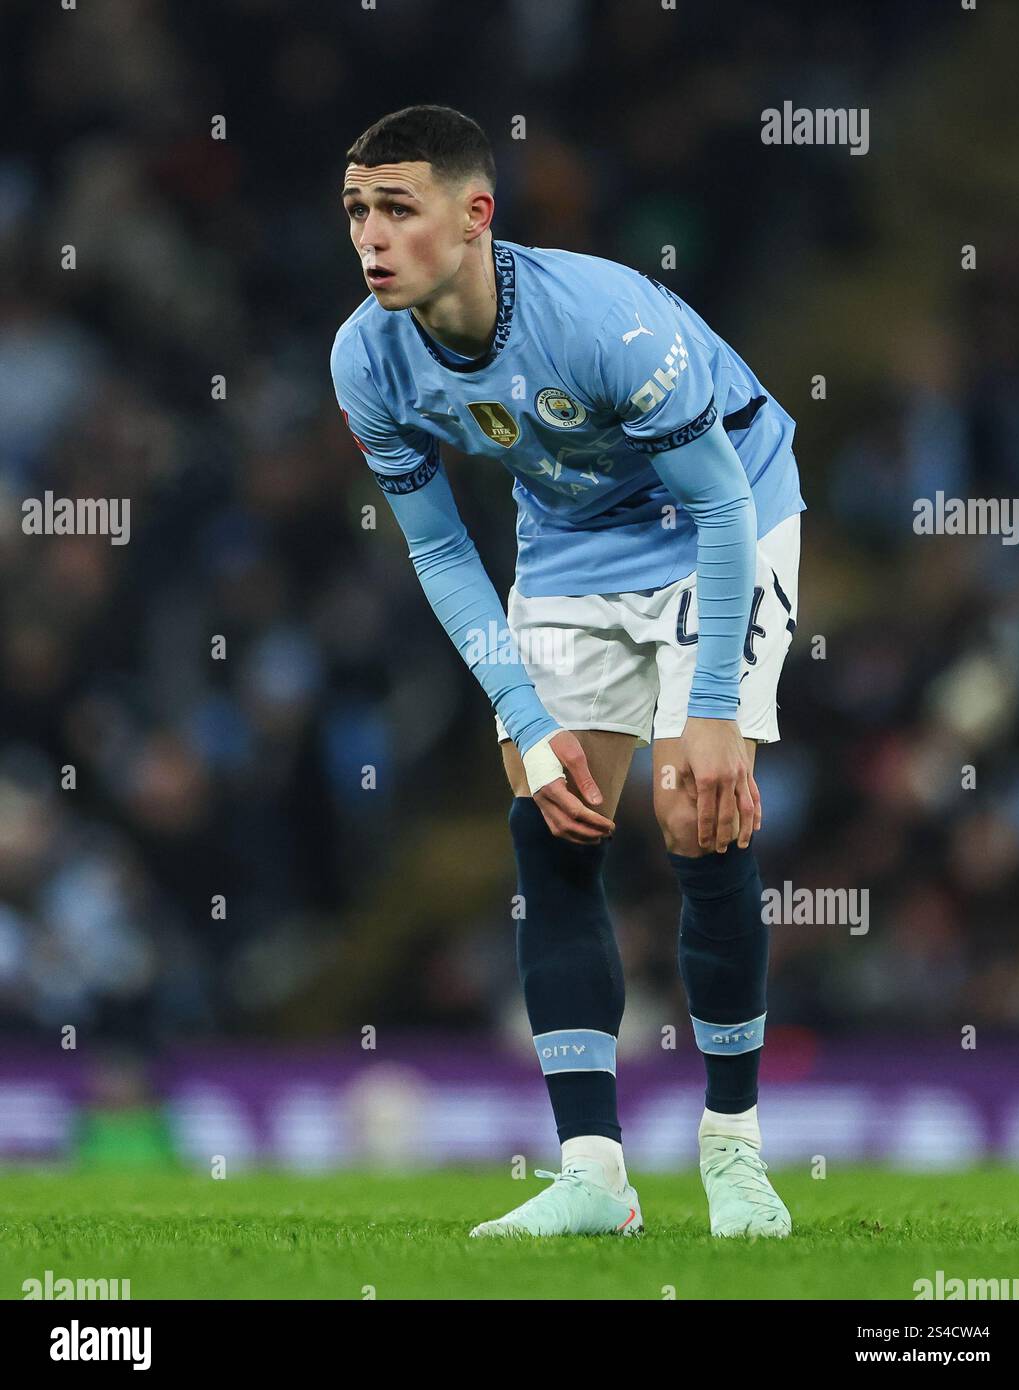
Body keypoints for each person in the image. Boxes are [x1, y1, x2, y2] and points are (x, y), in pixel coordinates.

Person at [331, 104, 805, 1238]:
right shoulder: (366, 357)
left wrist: (708, 710)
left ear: (474, 214)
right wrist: (518, 706)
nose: (371, 238)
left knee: (699, 813)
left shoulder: (604, 320)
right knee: (552, 813)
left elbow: (719, 506)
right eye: (356, 210)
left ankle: (733, 1149)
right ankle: (593, 1174)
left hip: (721, 520)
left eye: (397, 208)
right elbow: (442, 547)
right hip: (569, 549)